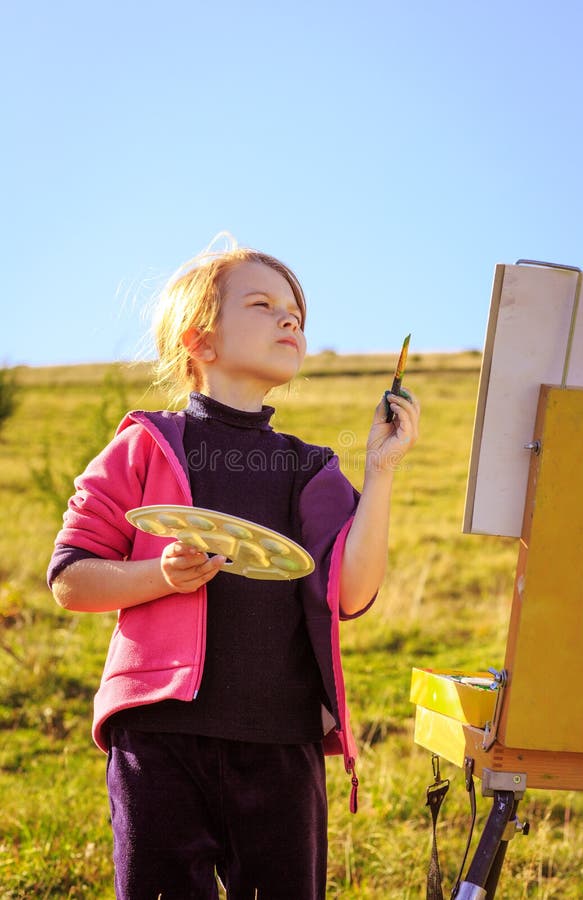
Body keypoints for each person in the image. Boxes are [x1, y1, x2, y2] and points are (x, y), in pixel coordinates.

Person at [48, 240, 420, 900]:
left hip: (285, 741)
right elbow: (71, 578)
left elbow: (353, 592)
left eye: (297, 312)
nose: (290, 320)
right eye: (264, 304)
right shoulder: (144, 443)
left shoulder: (312, 467)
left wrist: (381, 470)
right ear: (201, 339)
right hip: (160, 741)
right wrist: (158, 576)